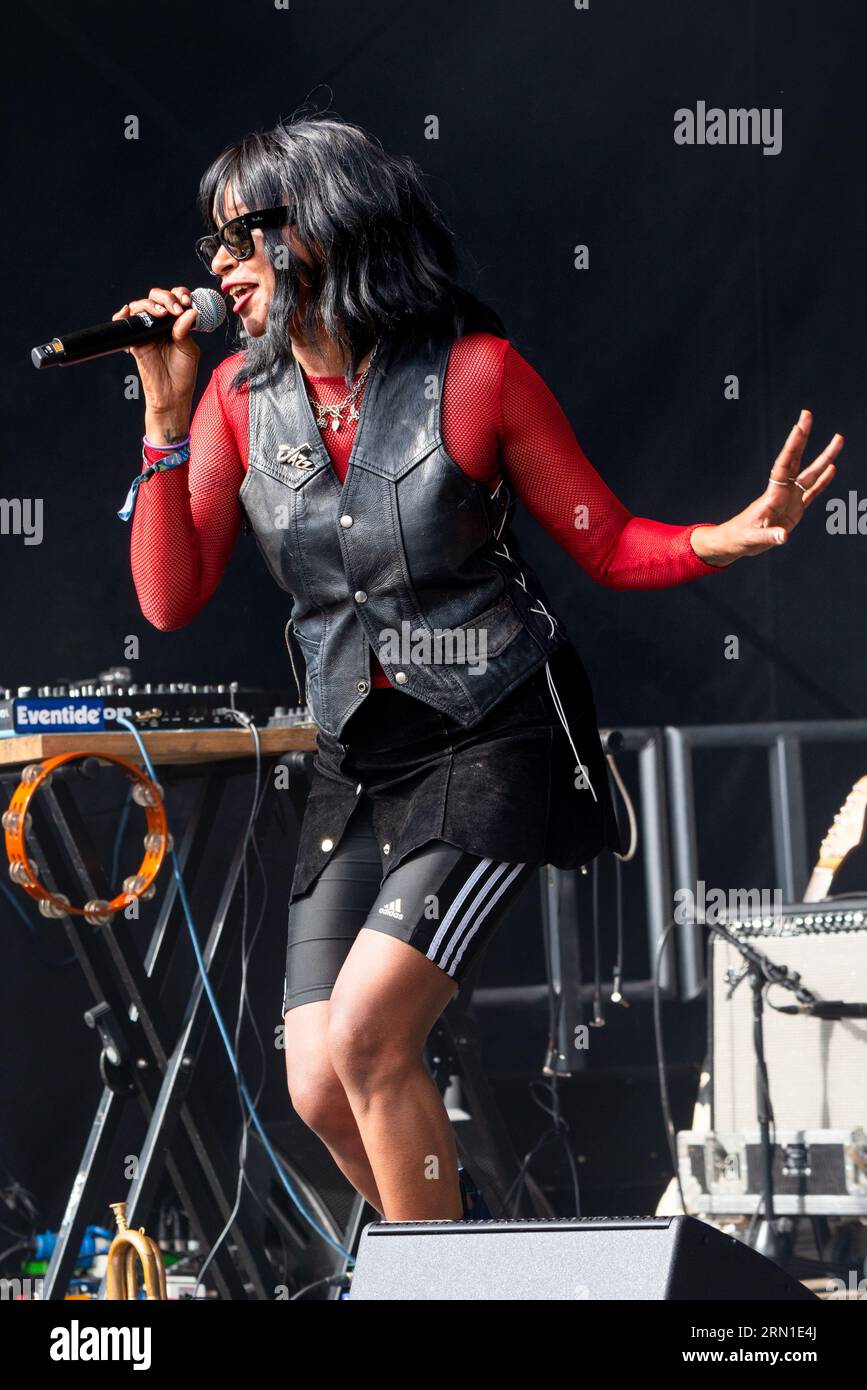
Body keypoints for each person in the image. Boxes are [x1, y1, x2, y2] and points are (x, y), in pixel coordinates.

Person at [114, 114, 843, 1223]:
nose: (216, 268)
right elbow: (169, 601)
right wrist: (164, 419)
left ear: (317, 230)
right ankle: (468, 1254)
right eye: (211, 243)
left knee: (368, 1034)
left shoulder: (475, 375)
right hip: (357, 764)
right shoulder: (233, 401)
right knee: (317, 1080)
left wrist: (725, 535)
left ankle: (446, 1286)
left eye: (239, 236)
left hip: (493, 738)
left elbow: (604, 539)